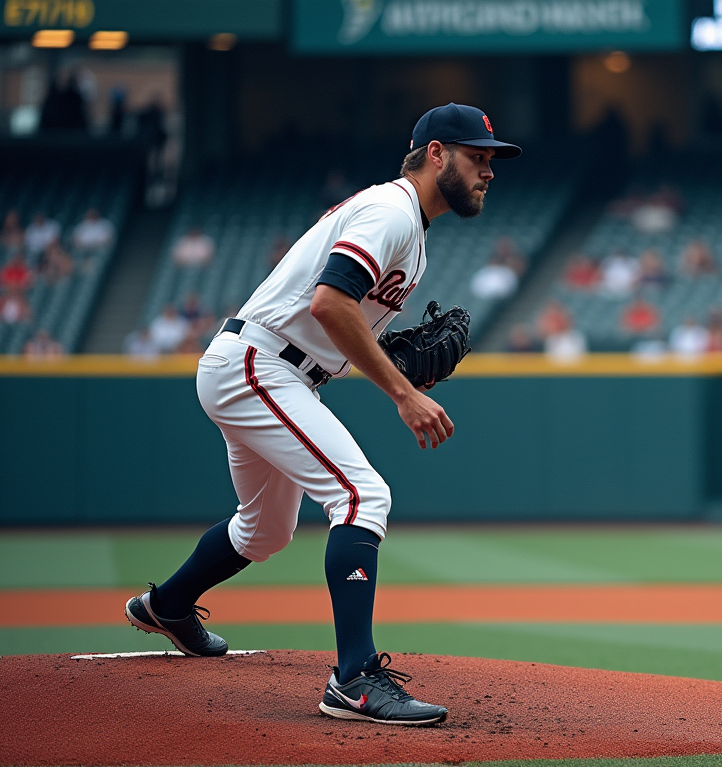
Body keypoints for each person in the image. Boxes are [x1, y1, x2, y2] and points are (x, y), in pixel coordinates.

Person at [124, 103, 521, 727]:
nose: (489, 171)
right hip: (259, 365)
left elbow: (338, 317)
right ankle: (354, 679)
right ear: (436, 154)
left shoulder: (410, 229)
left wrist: (390, 354)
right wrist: (403, 392)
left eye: (492, 160)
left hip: (275, 369)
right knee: (363, 496)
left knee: (265, 531)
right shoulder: (392, 211)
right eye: (477, 157)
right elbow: (330, 303)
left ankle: (166, 605)